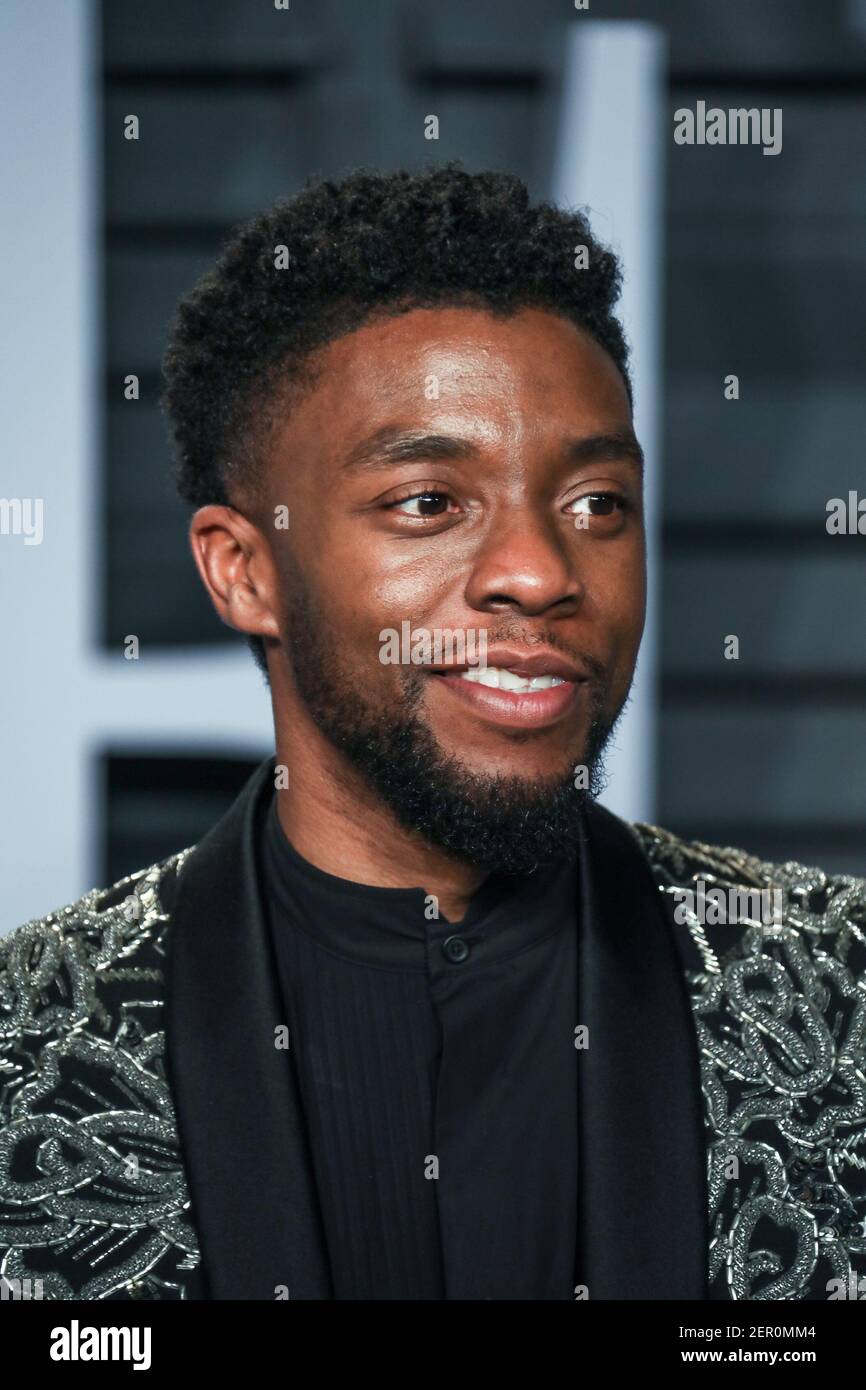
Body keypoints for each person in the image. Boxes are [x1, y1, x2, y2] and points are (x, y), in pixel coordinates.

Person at [2, 165, 864, 1302]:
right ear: (244, 569)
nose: (540, 573)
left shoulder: (839, 998)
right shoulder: (26, 1047)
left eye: (595, 503)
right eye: (427, 502)